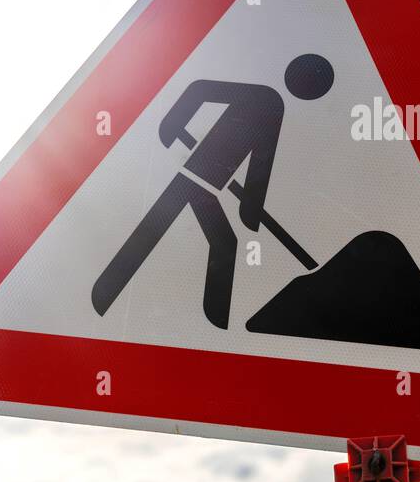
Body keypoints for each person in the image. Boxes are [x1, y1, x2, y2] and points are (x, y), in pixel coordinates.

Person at [92, 53, 335, 329]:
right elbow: (201, 90)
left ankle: (213, 321)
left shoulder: (271, 104)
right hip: (192, 179)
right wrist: (172, 123)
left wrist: (250, 208)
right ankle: (107, 293)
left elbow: (260, 161)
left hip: (205, 187)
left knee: (207, 239)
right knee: (171, 232)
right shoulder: (267, 100)